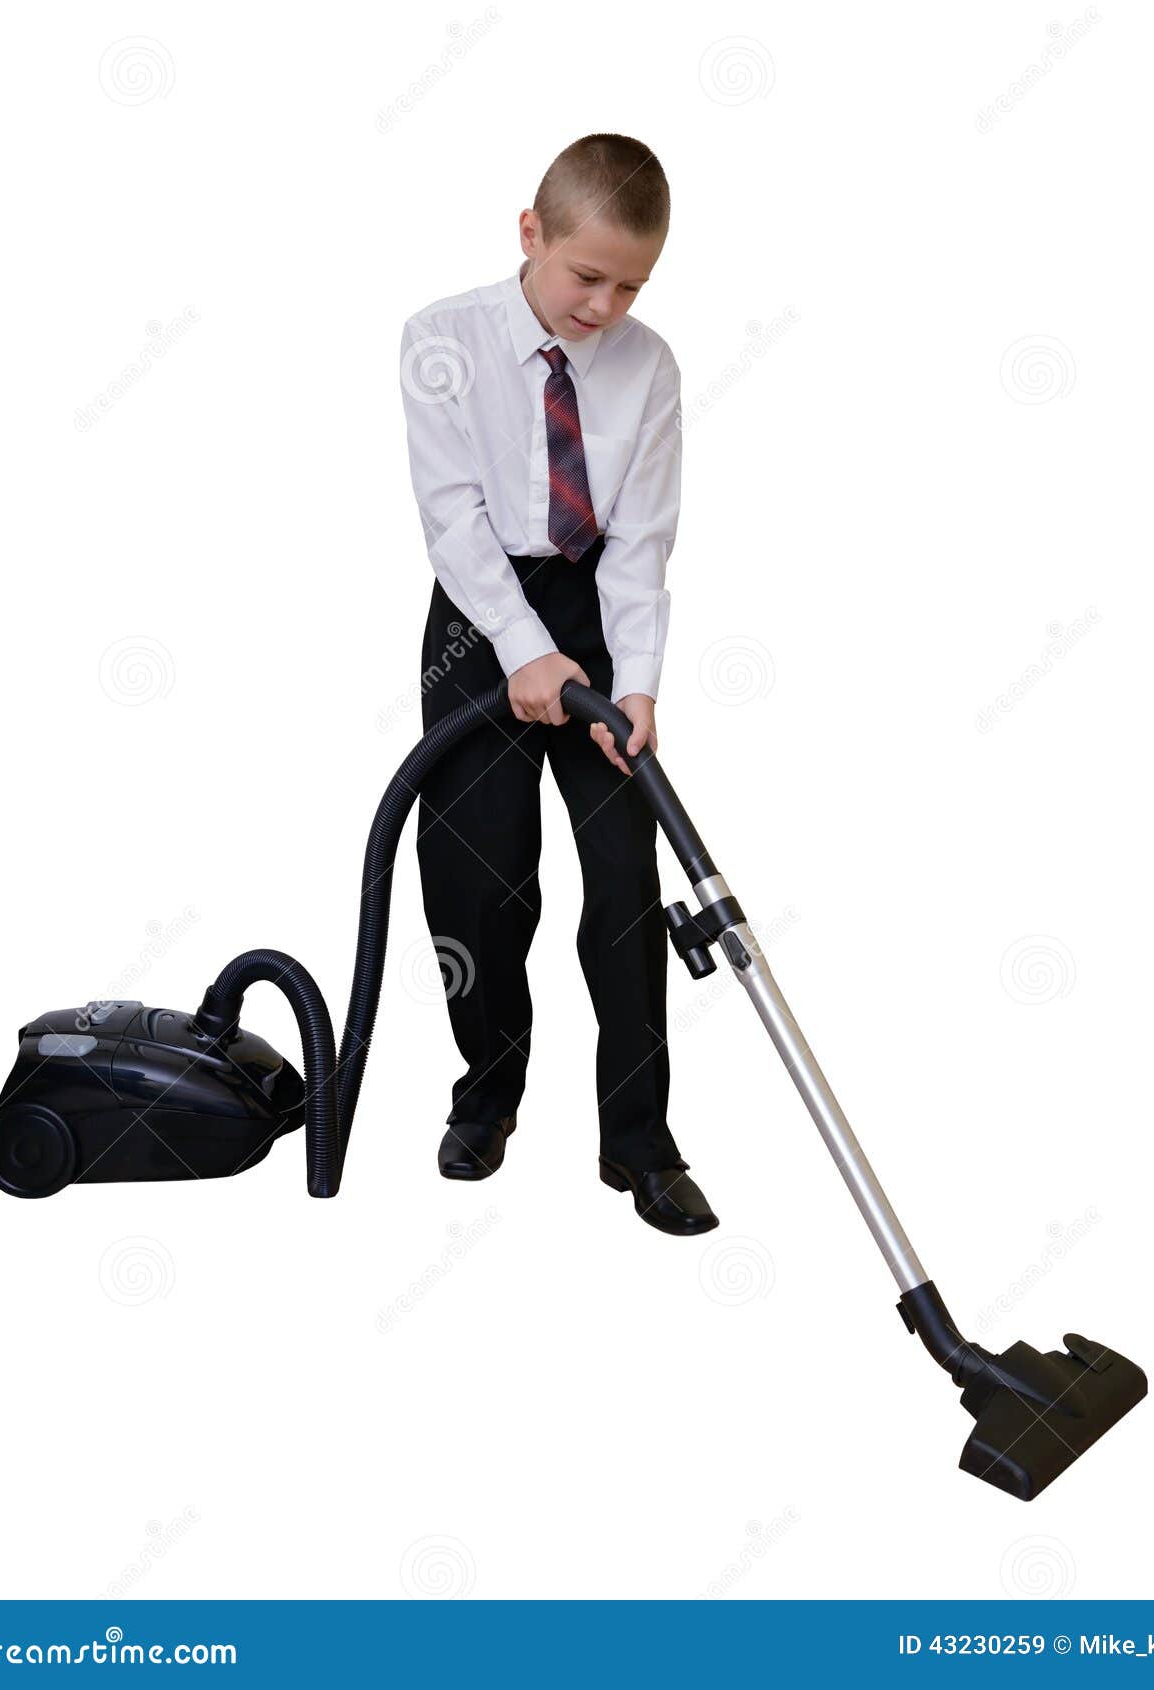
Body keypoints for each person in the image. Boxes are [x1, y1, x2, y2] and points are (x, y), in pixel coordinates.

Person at [398, 133, 717, 1236]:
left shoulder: (651, 366)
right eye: (588, 275)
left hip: (594, 607)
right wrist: (523, 650)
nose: (605, 305)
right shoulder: (442, 340)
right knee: (479, 882)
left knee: (626, 877)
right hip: (479, 623)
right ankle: (486, 1098)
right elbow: (452, 515)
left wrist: (635, 685)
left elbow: (640, 542)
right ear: (529, 233)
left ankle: (640, 1141)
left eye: (631, 283)